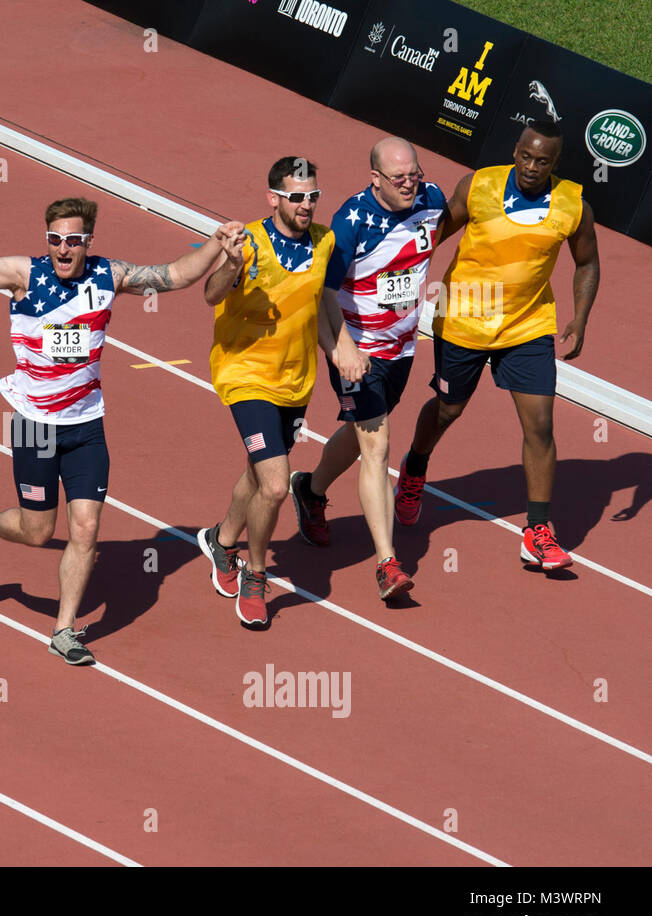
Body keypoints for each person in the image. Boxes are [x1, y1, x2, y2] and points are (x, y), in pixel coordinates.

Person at [0, 196, 242, 664]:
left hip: (86, 427)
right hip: (35, 427)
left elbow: (173, 275)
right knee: (37, 531)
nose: (63, 249)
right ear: (47, 240)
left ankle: (64, 631)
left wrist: (217, 244)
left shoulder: (107, 276)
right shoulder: (24, 276)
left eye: (73, 240)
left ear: (88, 241)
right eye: (55, 239)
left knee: (86, 527)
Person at [395, 119, 600, 571]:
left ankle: (538, 531)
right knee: (448, 410)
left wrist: (579, 319)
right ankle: (414, 468)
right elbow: (433, 235)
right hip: (464, 319)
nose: (531, 167)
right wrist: (402, 283)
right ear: (516, 150)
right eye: (525, 156)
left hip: (526, 326)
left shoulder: (572, 205)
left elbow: (586, 262)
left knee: (541, 426)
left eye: (542, 161)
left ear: (555, 164)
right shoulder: (478, 186)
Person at [197, 156, 366, 627]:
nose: (307, 204)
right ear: (273, 198)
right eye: (296, 197)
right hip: (245, 373)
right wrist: (231, 266)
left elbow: (324, 302)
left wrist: (341, 349)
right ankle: (256, 575)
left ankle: (221, 541)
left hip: (296, 379)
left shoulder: (325, 240)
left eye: (313, 195)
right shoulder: (246, 241)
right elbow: (211, 295)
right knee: (274, 484)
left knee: (257, 473)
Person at [287, 137, 445, 601]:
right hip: (357, 352)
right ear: (374, 178)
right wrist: (344, 350)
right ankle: (387, 563)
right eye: (399, 179)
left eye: (415, 174)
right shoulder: (351, 223)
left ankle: (311, 490)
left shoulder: (431, 200)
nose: (410, 185)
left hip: (401, 349)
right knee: (377, 446)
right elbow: (319, 297)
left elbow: (455, 214)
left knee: (361, 435)